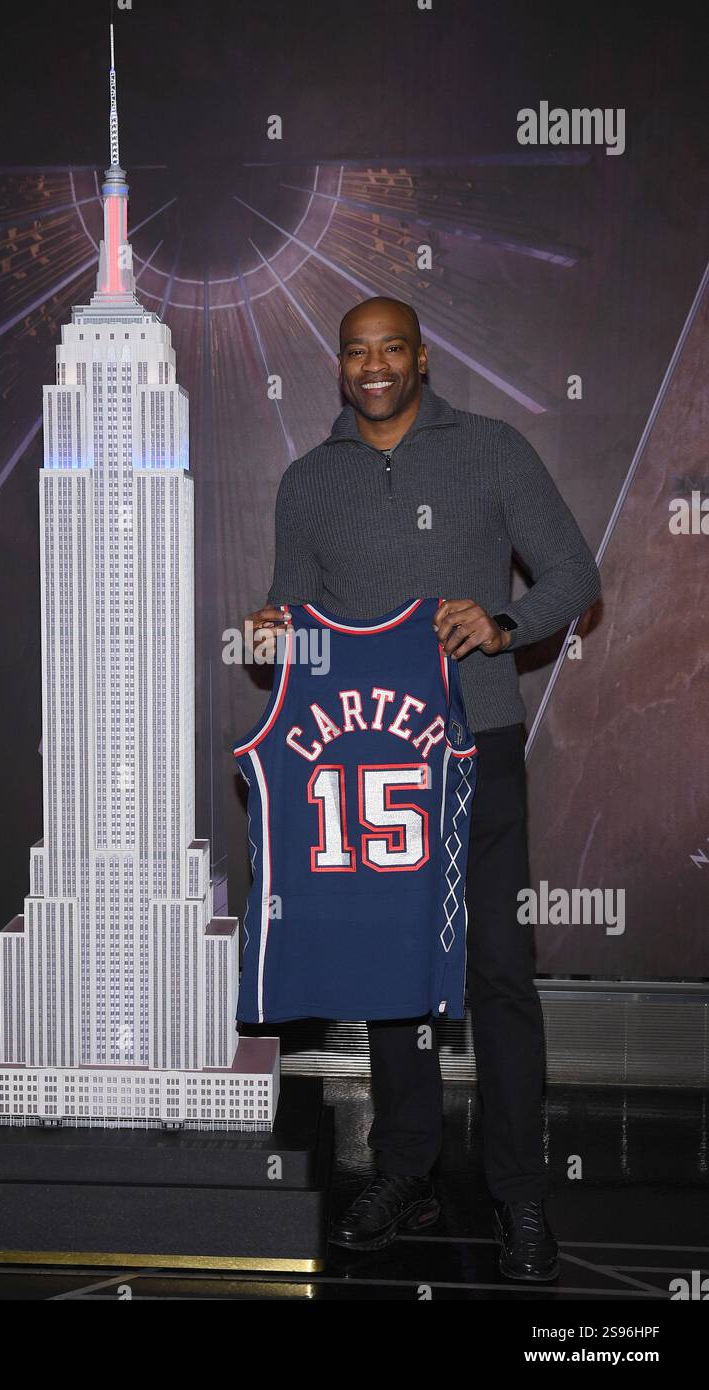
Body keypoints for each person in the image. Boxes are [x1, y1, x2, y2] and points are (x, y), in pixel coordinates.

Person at [241, 296, 601, 1282]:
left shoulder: (490, 450)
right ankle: (405, 1169)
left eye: (389, 347)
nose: (373, 366)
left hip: (474, 744)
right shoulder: (309, 481)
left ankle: (519, 1195)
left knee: (497, 972)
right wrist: (272, 639)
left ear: (420, 356)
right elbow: (299, 627)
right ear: (340, 367)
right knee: (391, 977)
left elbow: (574, 573)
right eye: (356, 352)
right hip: (367, 764)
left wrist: (499, 623)